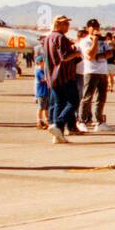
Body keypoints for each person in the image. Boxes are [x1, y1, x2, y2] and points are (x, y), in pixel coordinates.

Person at [42, 15, 81, 143]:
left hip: (52, 76)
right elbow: (64, 57)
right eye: (65, 23)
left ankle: (57, 135)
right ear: (58, 24)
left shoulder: (48, 38)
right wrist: (76, 53)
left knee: (59, 103)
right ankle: (58, 124)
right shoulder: (60, 38)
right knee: (73, 101)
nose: (67, 26)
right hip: (64, 76)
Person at [78, 18, 112, 131]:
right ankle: (82, 120)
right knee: (87, 97)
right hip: (91, 71)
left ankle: (99, 121)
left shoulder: (104, 41)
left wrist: (99, 56)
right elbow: (90, 56)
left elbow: (110, 53)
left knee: (101, 98)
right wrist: (95, 42)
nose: (96, 29)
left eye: (97, 27)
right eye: (93, 27)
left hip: (102, 71)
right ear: (88, 28)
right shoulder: (85, 41)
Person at [33, 54, 49, 129]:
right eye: (43, 61)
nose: (45, 63)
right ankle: (39, 121)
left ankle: (47, 120)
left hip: (46, 92)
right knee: (41, 107)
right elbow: (44, 79)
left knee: (46, 108)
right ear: (39, 62)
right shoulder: (38, 71)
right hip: (41, 92)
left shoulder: (45, 70)